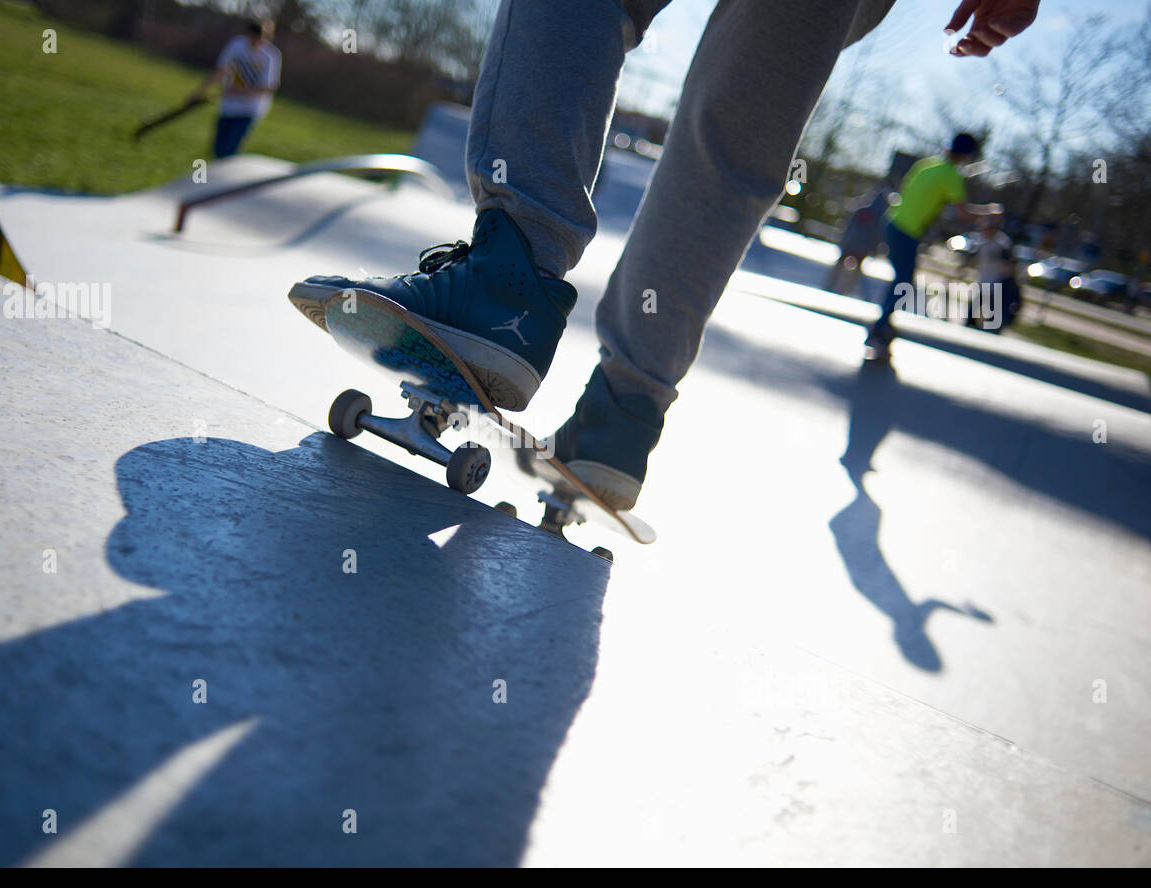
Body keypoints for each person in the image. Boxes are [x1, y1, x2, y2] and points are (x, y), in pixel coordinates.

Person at [291, 0, 1040, 512]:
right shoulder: (948, 173)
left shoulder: (934, 171)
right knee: (738, 127)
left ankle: (505, 287)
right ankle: (624, 415)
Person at [867, 131, 1005, 356]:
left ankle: (884, 323)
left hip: (892, 222)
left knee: (901, 278)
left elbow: (909, 191)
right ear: (966, 156)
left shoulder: (927, 164)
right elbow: (962, 213)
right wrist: (988, 211)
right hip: (907, 230)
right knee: (903, 280)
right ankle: (880, 328)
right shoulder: (951, 176)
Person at [193, 20, 281, 159]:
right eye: (255, 36)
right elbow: (221, 70)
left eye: (263, 36)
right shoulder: (236, 45)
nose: (257, 41)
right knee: (217, 148)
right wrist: (201, 91)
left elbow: (269, 87)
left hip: (250, 109)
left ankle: (224, 177)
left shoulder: (271, 56)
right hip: (228, 104)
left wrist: (244, 91)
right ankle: (216, 176)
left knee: (228, 149)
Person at [826, 183, 893, 297]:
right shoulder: (881, 217)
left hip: (850, 242)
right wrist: (875, 249)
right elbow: (878, 235)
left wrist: (844, 239)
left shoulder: (861, 208)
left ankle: (829, 286)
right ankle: (845, 291)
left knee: (840, 265)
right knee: (855, 271)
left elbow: (849, 226)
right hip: (863, 247)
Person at [968, 215, 1019, 332]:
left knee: (991, 314)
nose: (985, 231)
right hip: (983, 281)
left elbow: (1010, 266)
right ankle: (970, 328)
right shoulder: (981, 241)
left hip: (996, 284)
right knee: (972, 313)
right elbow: (974, 259)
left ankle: (989, 331)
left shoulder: (1002, 244)